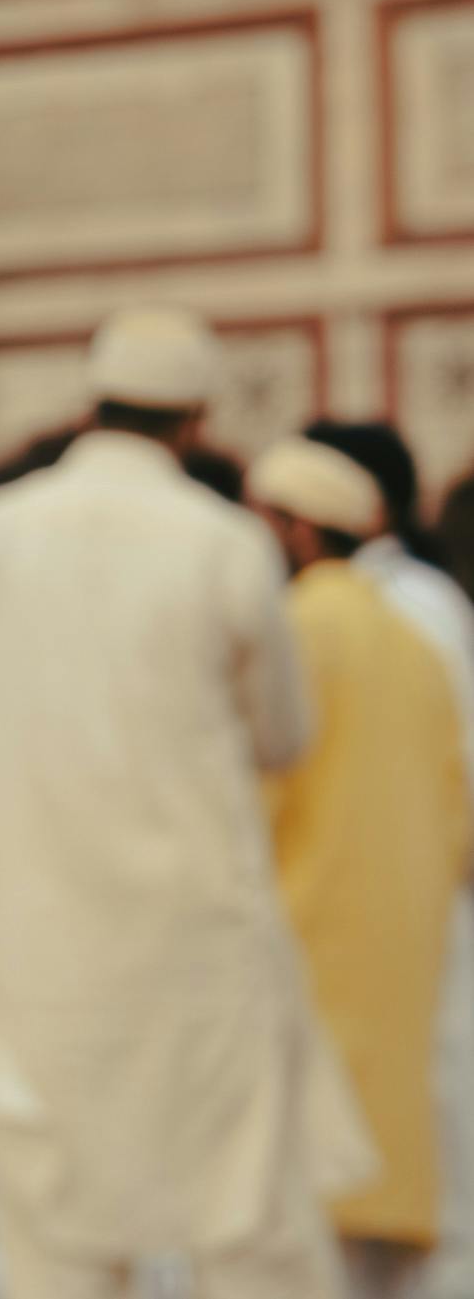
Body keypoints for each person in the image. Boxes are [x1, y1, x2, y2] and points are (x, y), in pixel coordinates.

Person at [0, 307, 357, 1296]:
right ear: (194, 420)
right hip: (197, 947)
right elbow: (286, 733)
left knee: (56, 1242)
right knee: (242, 1228)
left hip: (37, 946)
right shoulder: (223, 541)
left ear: (91, 404)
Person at [250, 437, 473, 1298]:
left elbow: (254, 798)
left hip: (303, 956)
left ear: (298, 532)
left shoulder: (299, 626)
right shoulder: (414, 639)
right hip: (416, 966)